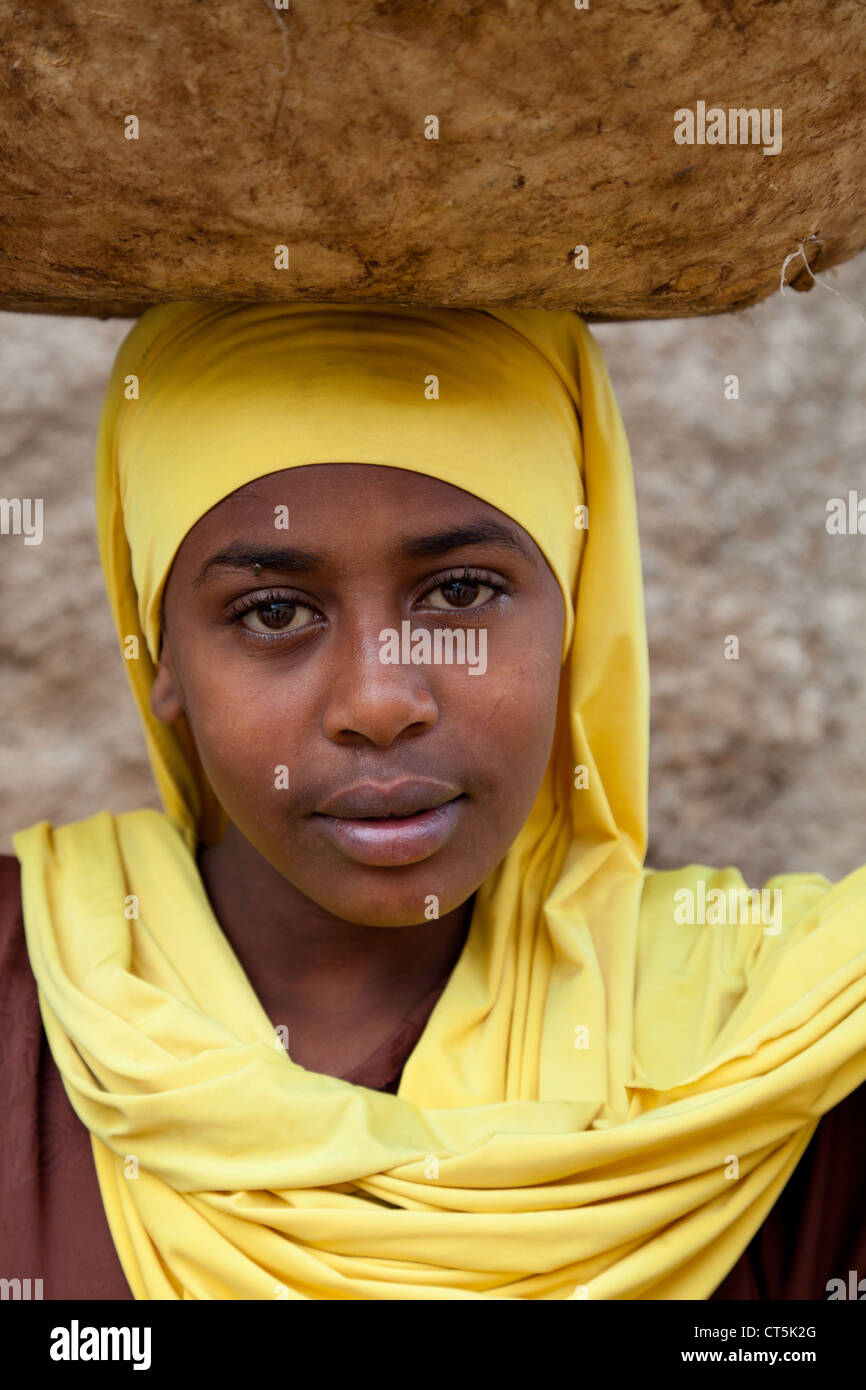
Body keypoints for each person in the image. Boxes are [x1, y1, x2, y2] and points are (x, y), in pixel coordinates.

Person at [2, 301, 865, 1301]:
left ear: (574, 612)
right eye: (274, 612)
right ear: (160, 654)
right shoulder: (29, 1006)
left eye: (458, 595)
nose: (380, 700)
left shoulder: (780, 1057)